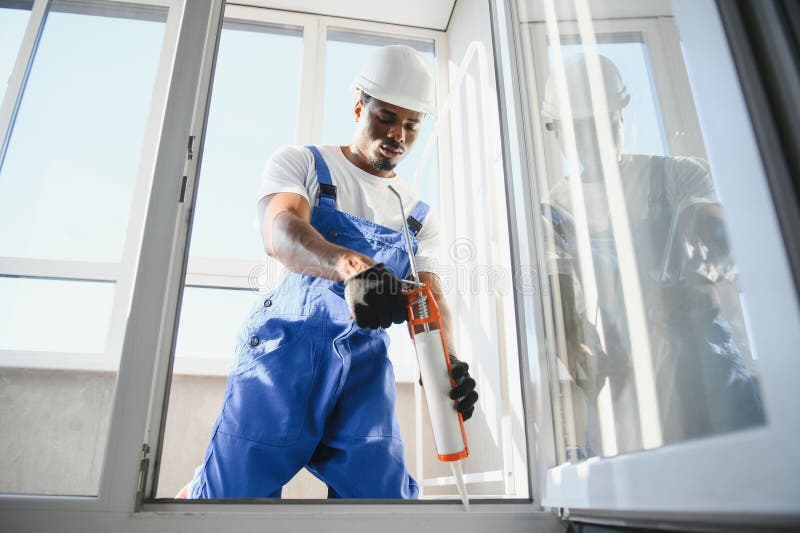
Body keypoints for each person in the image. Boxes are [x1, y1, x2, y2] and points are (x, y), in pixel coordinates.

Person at [181, 45, 478, 499]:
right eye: (385, 117)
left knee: (383, 505)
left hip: (361, 371)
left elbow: (429, 298)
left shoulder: (419, 217)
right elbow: (280, 230)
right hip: (283, 357)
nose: (397, 134)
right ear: (360, 107)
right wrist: (350, 266)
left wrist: (447, 363)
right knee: (230, 503)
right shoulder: (303, 164)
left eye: (411, 125)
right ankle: (200, 490)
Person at [539, 53, 764, 459]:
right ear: (556, 132)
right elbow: (558, 306)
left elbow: (712, 228)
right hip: (627, 387)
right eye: (577, 129)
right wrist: (579, 356)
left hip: (709, 366)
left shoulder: (677, 174)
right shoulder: (554, 209)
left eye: (601, 123)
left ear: (621, 115)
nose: (590, 139)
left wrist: (701, 281)